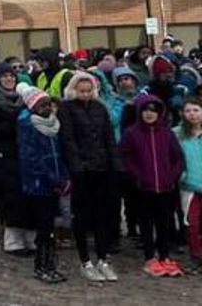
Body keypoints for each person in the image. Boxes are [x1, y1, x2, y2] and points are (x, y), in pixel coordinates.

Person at [57, 71, 120, 282]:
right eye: (81, 91)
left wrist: (115, 164)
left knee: (102, 214)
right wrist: (77, 166)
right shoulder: (66, 108)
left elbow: (108, 137)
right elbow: (68, 139)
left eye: (88, 90)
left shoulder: (99, 108)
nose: (85, 94)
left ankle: (102, 258)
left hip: (101, 167)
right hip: (81, 169)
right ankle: (85, 260)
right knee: (81, 215)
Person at [120, 95, 186, 277]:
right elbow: (125, 156)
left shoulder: (167, 133)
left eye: (153, 111)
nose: (149, 114)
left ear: (159, 113)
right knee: (146, 222)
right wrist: (136, 176)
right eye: (145, 110)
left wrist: (172, 176)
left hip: (165, 187)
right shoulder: (131, 133)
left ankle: (164, 256)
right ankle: (149, 257)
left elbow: (177, 158)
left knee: (164, 222)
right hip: (143, 187)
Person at [17, 85, 69, 283]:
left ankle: (50, 264)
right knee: (44, 226)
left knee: (51, 226)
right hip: (39, 184)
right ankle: (42, 265)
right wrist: (52, 178)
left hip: (54, 182)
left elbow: (60, 154)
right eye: (42, 105)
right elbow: (31, 159)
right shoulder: (28, 126)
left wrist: (64, 177)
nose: (47, 108)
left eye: (48, 104)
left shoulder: (53, 125)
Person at [0, 63, 36, 256]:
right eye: (5, 76)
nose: (9, 79)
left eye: (12, 76)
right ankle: (13, 241)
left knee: (28, 196)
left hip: (24, 152)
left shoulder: (23, 99)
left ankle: (30, 237)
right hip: (4, 154)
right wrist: (17, 124)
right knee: (11, 197)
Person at [175, 96, 202, 273]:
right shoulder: (177, 134)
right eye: (188, 111)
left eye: (196, 110)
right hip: (189, 187)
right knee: (192, 223)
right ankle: (196, 257)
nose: (192, 114)